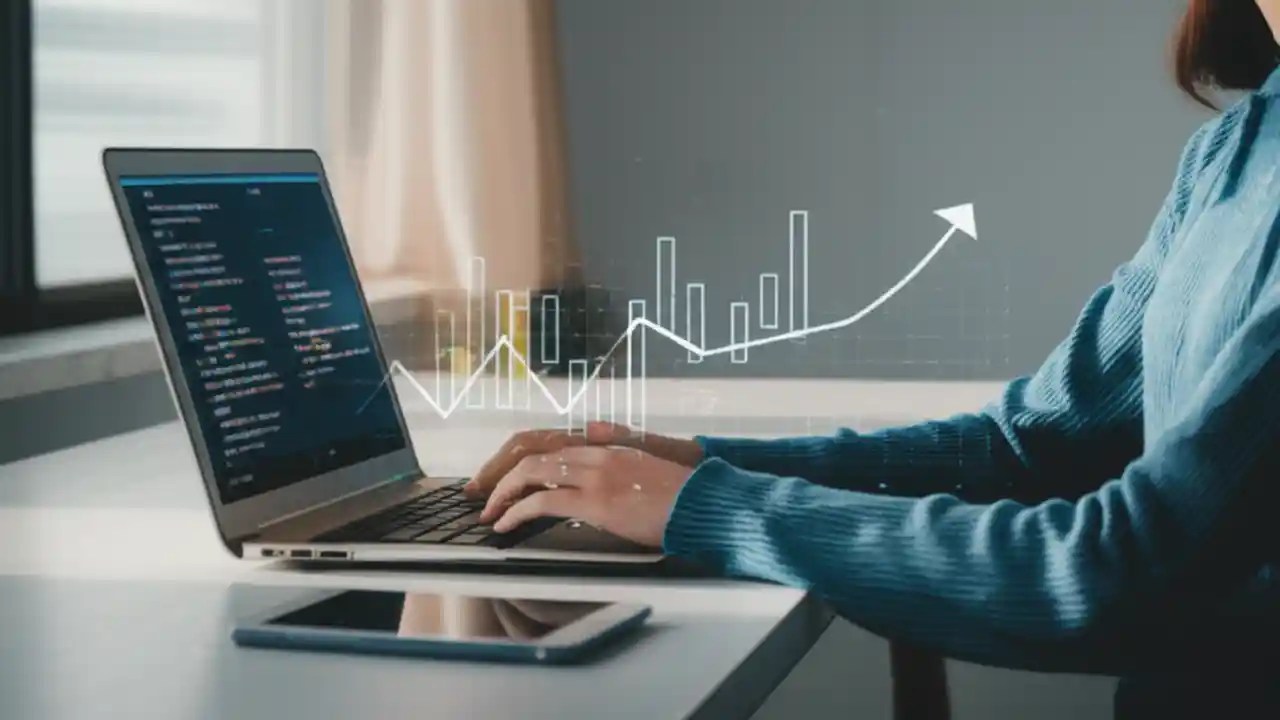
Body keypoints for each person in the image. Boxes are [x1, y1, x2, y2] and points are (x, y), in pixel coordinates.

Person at [465, 0, 1280, 714]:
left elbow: (1126, 574)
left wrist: (709, 505)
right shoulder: (1232, 151)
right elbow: (1025, 446)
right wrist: (694, 462)